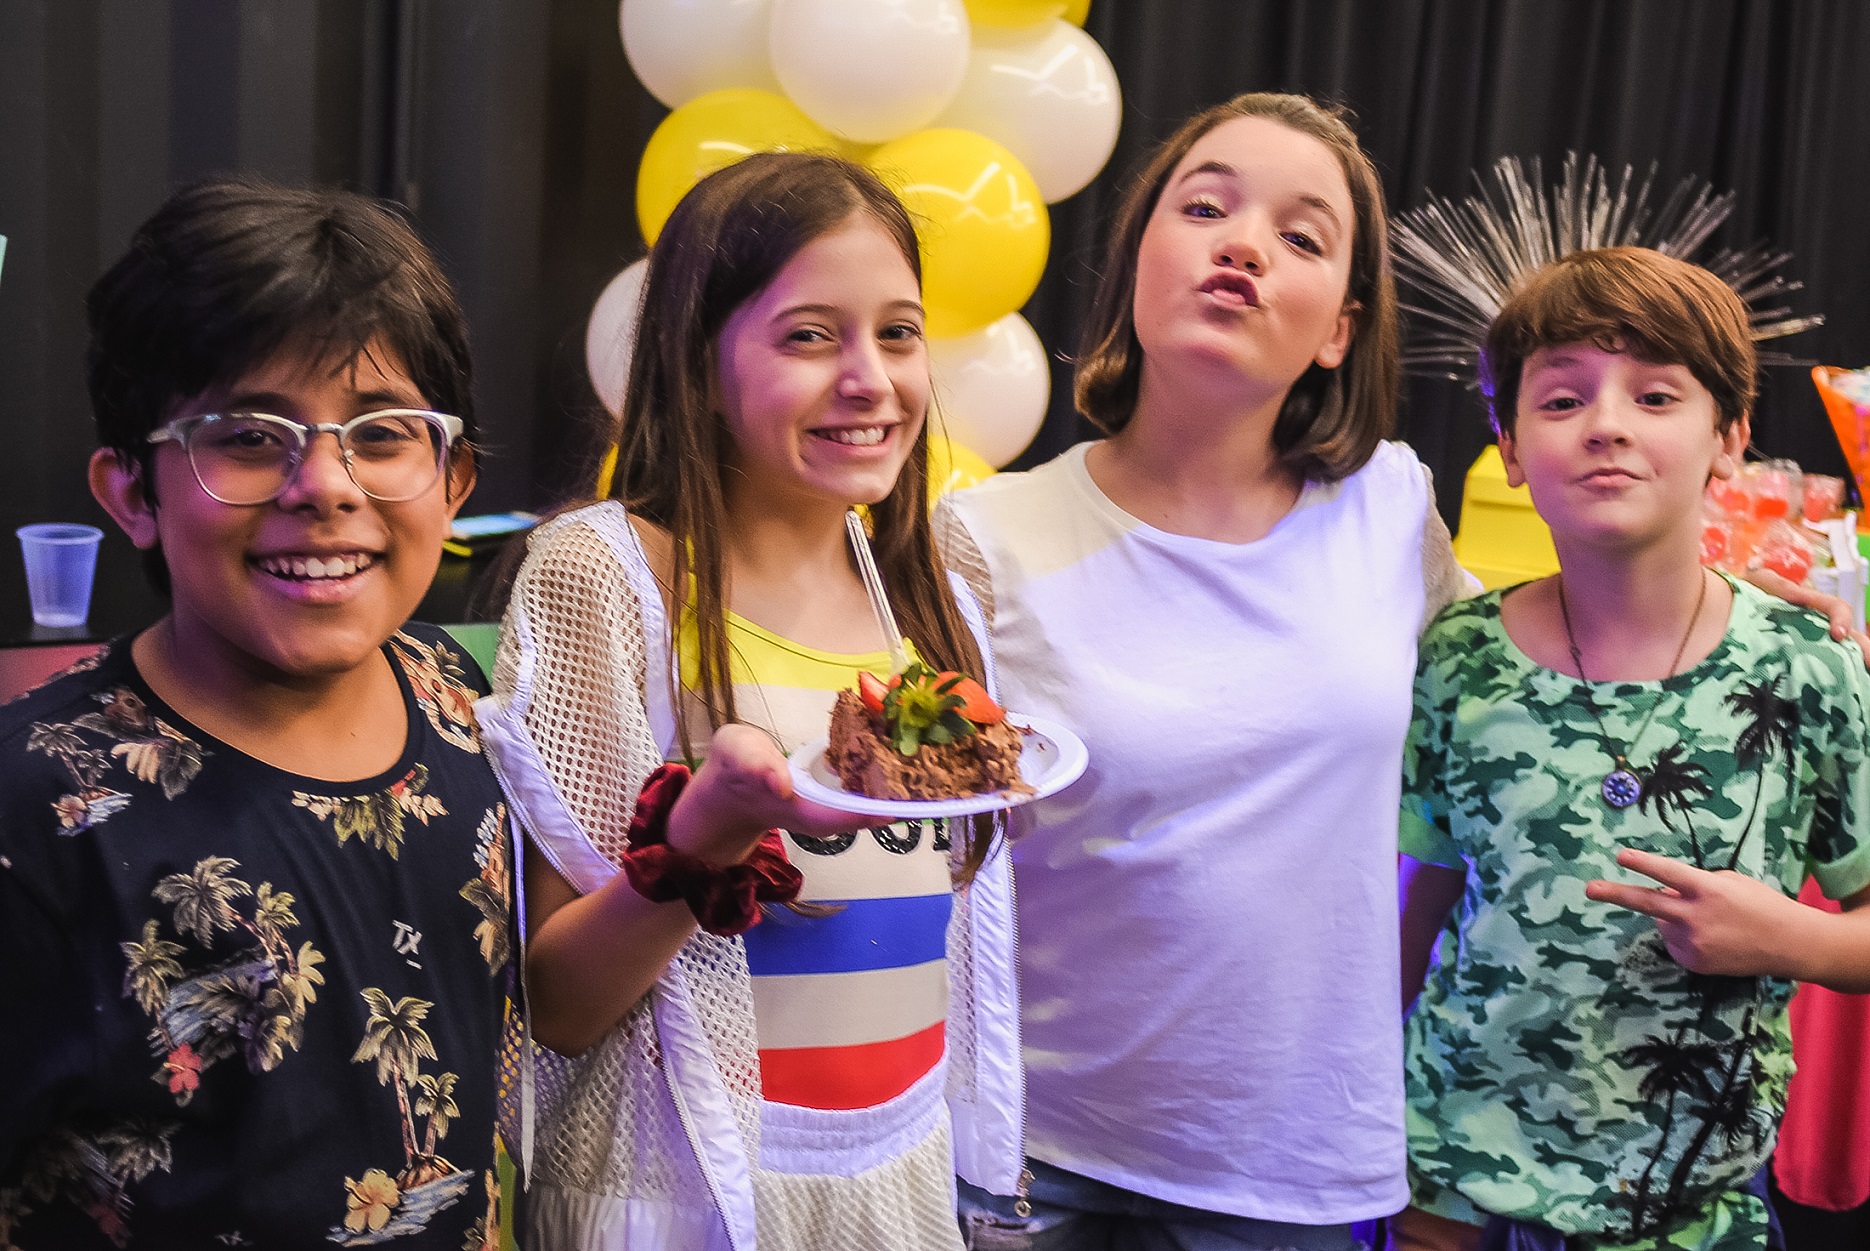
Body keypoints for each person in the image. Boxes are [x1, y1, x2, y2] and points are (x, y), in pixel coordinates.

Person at [938, 91, 1458, 1251]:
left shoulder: (1392, 508)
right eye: (1206, 206)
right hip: (1031, 1150)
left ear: (1339, 327)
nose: (1241, 245)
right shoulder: (983, 532)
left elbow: (1516, 701)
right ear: (1135, 260)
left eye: (1301, 235)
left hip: (1292, 1166)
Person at [475, 152, 1023, 1251]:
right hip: (685, 1186)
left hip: (897, 1180)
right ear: (697, 358)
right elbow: (561, 1008)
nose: (869, 377)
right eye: (809, 336)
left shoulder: (935, 571)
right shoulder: (610, 575)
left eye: (899, 333)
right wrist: (706, 838)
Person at [0, 180, 509, 1248]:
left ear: (452, 479)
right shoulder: (35, 807)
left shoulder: (462, 704)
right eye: (246, 435)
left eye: (383, 435)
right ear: (132, 491)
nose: (324, 482)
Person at [1390, 247, 1870, 1251]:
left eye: (1655, 395)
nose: (1606, 424)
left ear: (1728, 438)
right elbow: (1422, 896)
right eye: (1561, 400)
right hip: (1451, 1189)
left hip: (1692, 1208)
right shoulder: (1456, 660)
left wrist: (1793, 939)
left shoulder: (1807, 667)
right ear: (1510, 446)